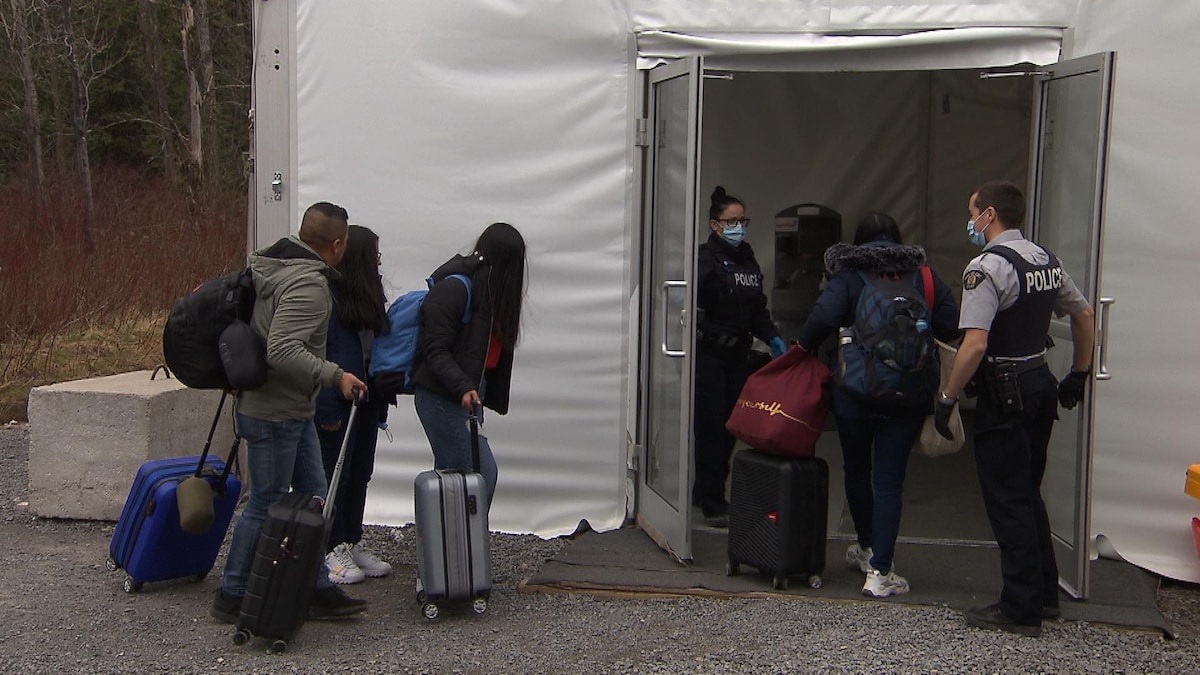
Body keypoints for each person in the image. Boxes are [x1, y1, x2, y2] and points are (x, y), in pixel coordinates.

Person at [934, 181, 1095, 637]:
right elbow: (1083, 315)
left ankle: (1020, 607)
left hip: (1005, 390)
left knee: (1007, 498)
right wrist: (1079, 374)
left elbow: (974, 344)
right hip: (1040, 384)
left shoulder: (985, 268)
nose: (969, 221)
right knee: (1027, 491)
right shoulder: (1044, 259)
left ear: (988, 215)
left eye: (972, 212)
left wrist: (947, 398)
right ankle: (1044, 595)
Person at [210, 202, 370, 623]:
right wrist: (335, 375)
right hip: (274, 414)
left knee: (316, 497)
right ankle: (233, 593)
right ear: (337, 244)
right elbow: (282, 349)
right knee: (264, 501)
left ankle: (314, 584)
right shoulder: (309, 286)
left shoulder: (279, 263)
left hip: (291, 411)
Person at [795, 211, 960, 598]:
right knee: (890, 480)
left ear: (859, 240)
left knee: (856, 468)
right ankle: (881, 573)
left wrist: (801, 351)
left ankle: (866, 546)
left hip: (854, 393)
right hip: (908, 392)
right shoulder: (924, 276)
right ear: (898, 239)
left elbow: (822, 318)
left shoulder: (850, 274)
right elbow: (953, 326)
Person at [411, 222, 527, 510]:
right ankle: (461, 547)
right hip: (441, 396)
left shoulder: (491, 294)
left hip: (467, 397)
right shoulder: (456, 288)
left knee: (456, 477)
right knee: (480, 475)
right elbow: (434, 350)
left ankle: (453, 548)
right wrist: (463, 386)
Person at [693, 186, 788, 528]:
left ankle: (703, 489)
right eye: (731, 221)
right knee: (710, 430)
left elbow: (756, 308)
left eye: (742, 220)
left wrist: (773, 337)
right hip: (710, 356)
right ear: (715, 225)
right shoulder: (705, 260)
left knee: (731, 427)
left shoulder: (746, 258)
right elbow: (690, 305)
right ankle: (713, 500)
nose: (738, 226)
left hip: (738, 356)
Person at [315, 225, 394, 584]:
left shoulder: (370, 296)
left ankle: (351, 538)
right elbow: (326, 357)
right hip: (339, 399)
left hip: (367, 398)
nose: (379, 262)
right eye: (374, 255)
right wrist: (328, 409)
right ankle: (329, 547)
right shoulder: (330, 298)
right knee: (337, 475)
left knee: (360, 472)